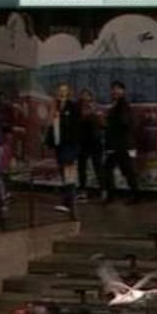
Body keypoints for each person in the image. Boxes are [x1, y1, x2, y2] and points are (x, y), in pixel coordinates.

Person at [45, 83, 82, 217]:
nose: (61, 94)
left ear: (68, 93)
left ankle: (70, 202)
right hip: (59, 144)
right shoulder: (54, 107)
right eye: (59, 91)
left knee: (68, 171)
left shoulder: (72, 107)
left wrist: (61, 117)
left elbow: (75, 126)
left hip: (70, 145)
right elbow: (51, 126)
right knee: (63, 172)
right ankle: (66, 200)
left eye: (64, 91)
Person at [103, 81, 141, 204]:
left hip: (121, 144)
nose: (115, 91)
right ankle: (129, 195)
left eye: (118, 89)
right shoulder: (117, 105)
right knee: (123, 170)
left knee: (124, 170)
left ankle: (116, 195)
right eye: (113, 89)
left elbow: (124, 123)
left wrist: (108, 125)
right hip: (120, 144)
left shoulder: (122, 105)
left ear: (123, 91)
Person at [75, 88, 105, 201]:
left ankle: (103, 190)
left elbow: (103, 124)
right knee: (81, 168)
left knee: (98, 166)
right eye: (83, 94)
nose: (85, 97)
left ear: (92, 97)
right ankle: (82, 191)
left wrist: (96, 115)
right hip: (82, 142)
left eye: (88, 95)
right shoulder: (77, 108)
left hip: (95, 142)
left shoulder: (96, 108)